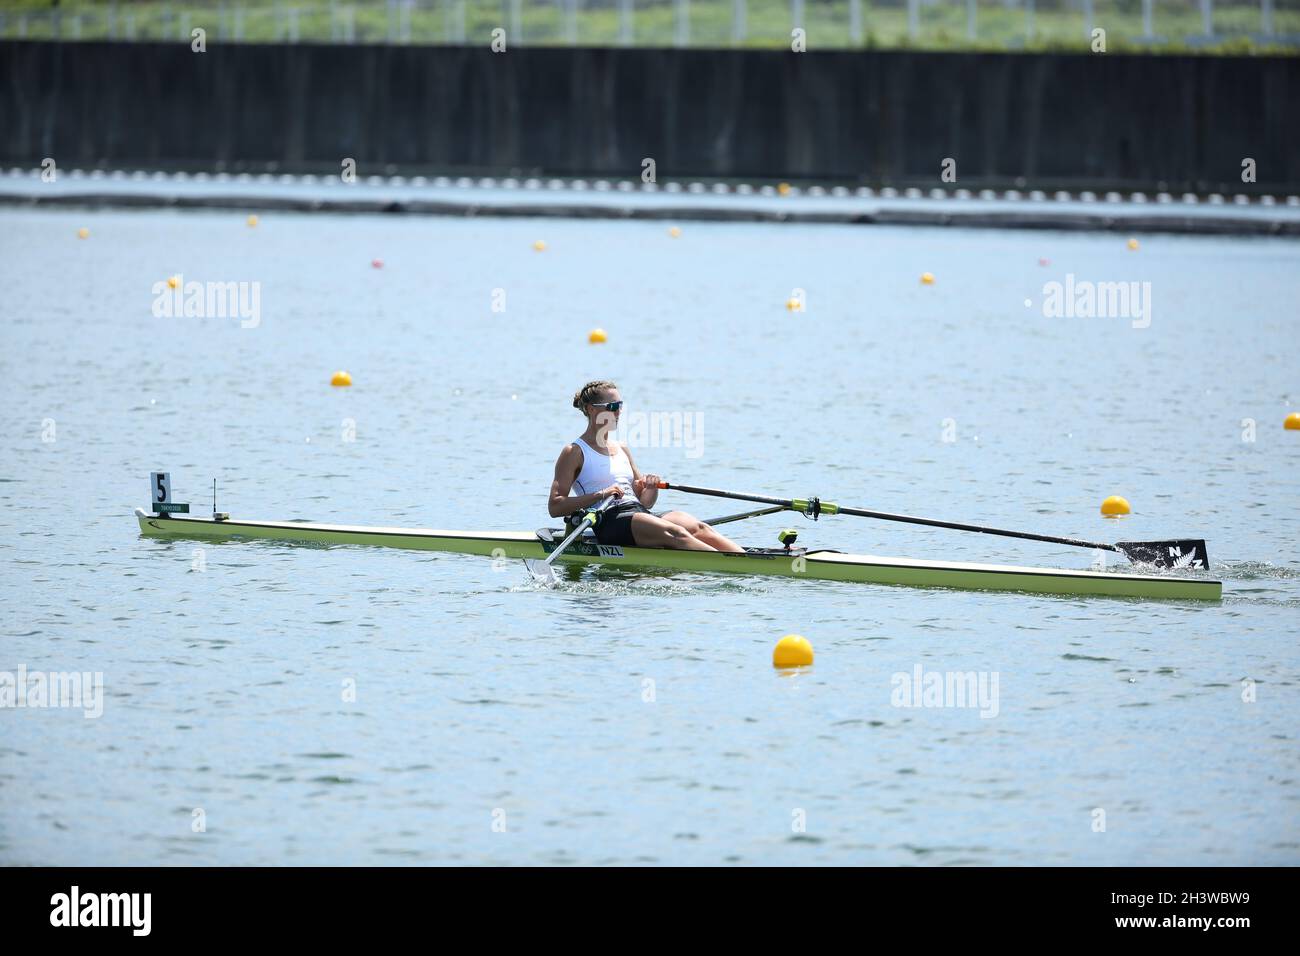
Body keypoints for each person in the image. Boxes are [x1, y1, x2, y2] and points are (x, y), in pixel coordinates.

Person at [548, 381, 743, 552]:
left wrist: (651, 487)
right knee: (676, 533)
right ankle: (734, 566)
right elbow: (555, 506)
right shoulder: (574, 452)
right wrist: (601, 494)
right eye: (612, 406)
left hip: (638, 513)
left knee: (698, 527)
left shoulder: (622, 448)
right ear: (591, 409)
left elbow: (645, 502)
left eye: (620, 406)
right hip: (609, 520)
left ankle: (747, 559)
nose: (618, 412)